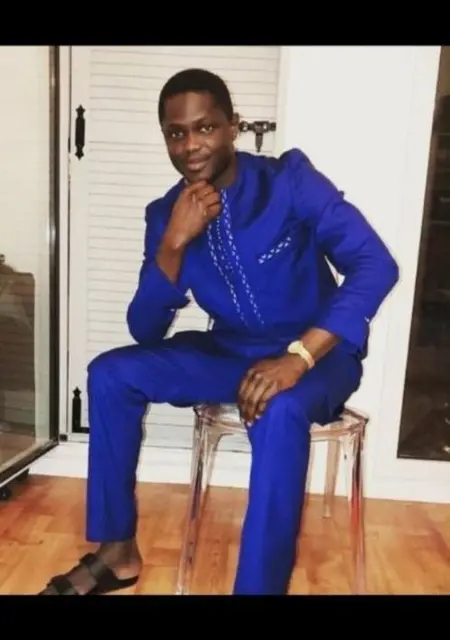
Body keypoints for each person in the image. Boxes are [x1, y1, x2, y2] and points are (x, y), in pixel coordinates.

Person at [39, 68, 399, 596]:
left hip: (318, 359)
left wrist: (299, 356)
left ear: (233, 126)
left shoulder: (290, 182)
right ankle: (117, 552)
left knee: (280, 407)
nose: (190, 146)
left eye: (205, 128)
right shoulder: (166, 214)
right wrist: (173, 244)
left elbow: (375, 264)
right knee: (111, 374)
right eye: (176, 133)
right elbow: (145, 329)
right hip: (230, 353)